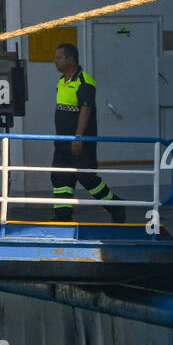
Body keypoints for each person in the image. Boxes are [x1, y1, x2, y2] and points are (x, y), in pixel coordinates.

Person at [51, 43, 124, 222]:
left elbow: (86, 109)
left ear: (70, 59)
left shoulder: (85, 81)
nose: (55, 61)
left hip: (79, 142)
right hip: (62, 142)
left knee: (86, 177)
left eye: (59, 58)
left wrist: (78, 137)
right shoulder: (62, 81)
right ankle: (63, 217)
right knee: (60, 177)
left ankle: (115, 206)